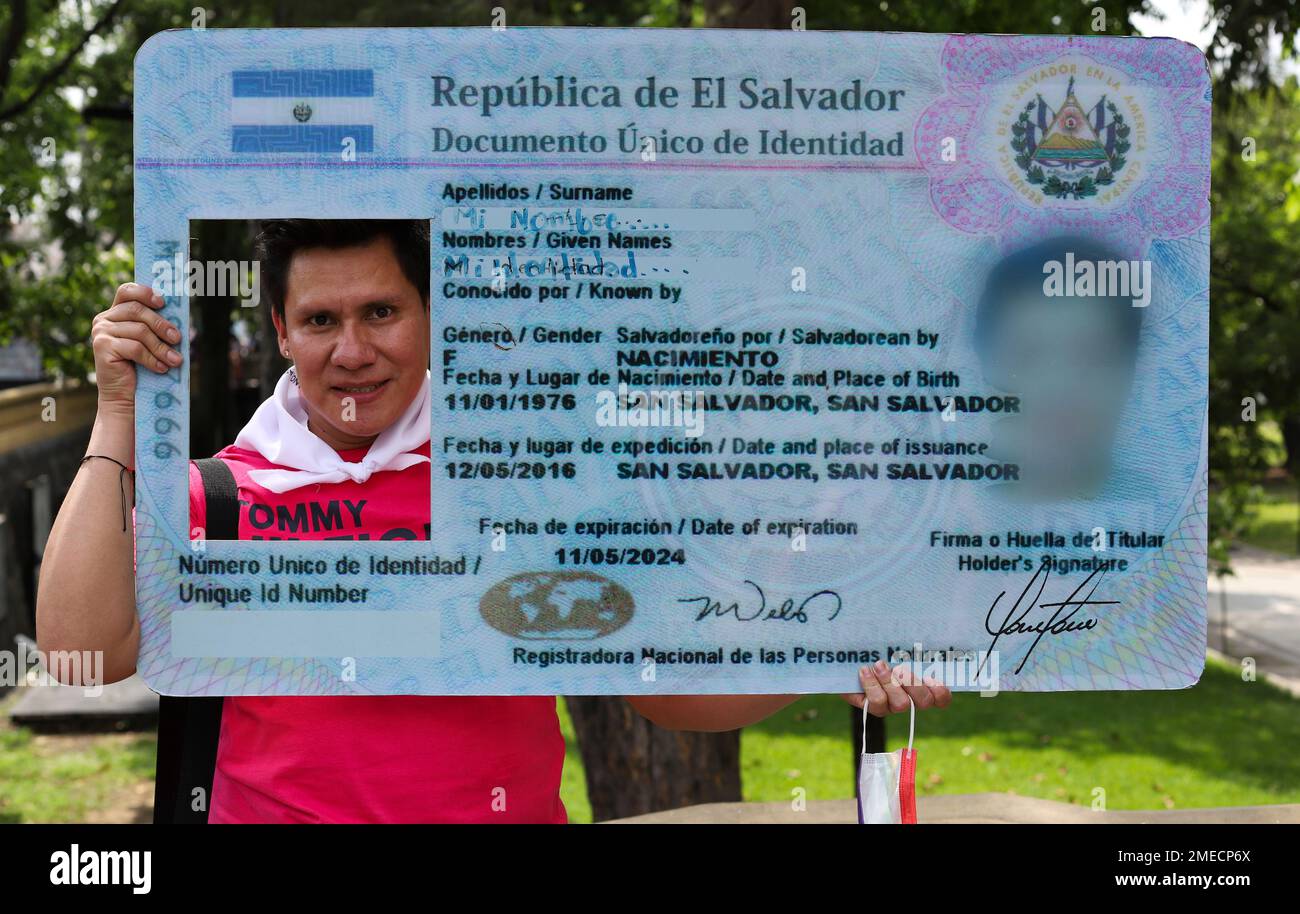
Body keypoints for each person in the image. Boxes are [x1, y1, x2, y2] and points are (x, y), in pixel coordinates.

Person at [36, 219, 951, 823]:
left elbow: (656, 685)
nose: (351, 351)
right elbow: (80, 653)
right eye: (320, 320)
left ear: (433, 319)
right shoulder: (217, 495)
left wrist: (826, 657)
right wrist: (117, 411)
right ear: (281, 330)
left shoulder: (521, 488)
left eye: (382, 312)